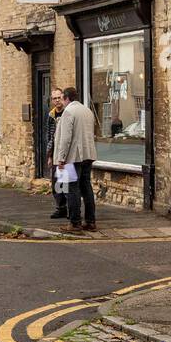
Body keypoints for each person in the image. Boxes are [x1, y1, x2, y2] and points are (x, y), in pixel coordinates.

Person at [53, 86, 98, 233]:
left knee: (72, 189)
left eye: (62, 99)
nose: (62, 102)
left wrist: (61, 159)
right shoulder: (87, 111)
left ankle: (75, 223)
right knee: (86, 187)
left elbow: (65, 139)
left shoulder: (68, 112)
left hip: (72, 157)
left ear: (66, 98)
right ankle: (91, 222)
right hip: (88, 154)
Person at [46, 87, 68, 219]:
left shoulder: (68, 113)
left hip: (66, 153)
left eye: (59, 97)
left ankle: (69, 208)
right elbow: (49, 136)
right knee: (56, 183)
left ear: (63, 97)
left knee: (66, 181)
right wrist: (49, 156)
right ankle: (60, 208)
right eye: (54, 98)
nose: (57, 100)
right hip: (55, 153)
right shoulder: (51, 115)